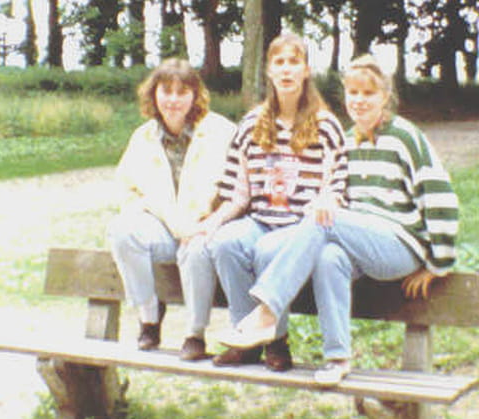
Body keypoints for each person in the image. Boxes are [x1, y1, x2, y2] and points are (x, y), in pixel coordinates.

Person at [217, 54, 459, 386]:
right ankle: (337, 357)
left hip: (400, 244)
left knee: (324, 218)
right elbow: (339, 196)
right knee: (324, 256)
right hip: (359, 242)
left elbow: (441, 197)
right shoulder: (346, 141)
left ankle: (267, 313)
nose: (359, 101)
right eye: (353, 93)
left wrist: (438, 263)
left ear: (385, 96)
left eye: (368, 93)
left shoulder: (405, 137)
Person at [180, 33, 348, 369]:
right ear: (269, 71)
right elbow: (238, 194)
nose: (286, 70)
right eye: (279, 63)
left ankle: (276, 341)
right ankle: (246, 339)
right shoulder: (251, 124)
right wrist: (210, 223)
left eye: (294, 62)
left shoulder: (326, 126)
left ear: (306, 70)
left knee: (268, 249)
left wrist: (327, 199)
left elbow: (337, 187)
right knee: (225, 243)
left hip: (301, 228)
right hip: (260, 220)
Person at [108, 58, 235, 356]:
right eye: (166, 91)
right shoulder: (143, 137)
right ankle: (149, 317)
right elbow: (126, 191)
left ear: (195, 95)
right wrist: (154, 212)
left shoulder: (222, 131)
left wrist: (207, 222)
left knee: (195, 248)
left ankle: (195, 334)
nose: (173, 100)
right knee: (121, 231)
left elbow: (237, 186)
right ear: (154, 94)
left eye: (182, 92)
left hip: (207, 228)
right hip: (164, 229)